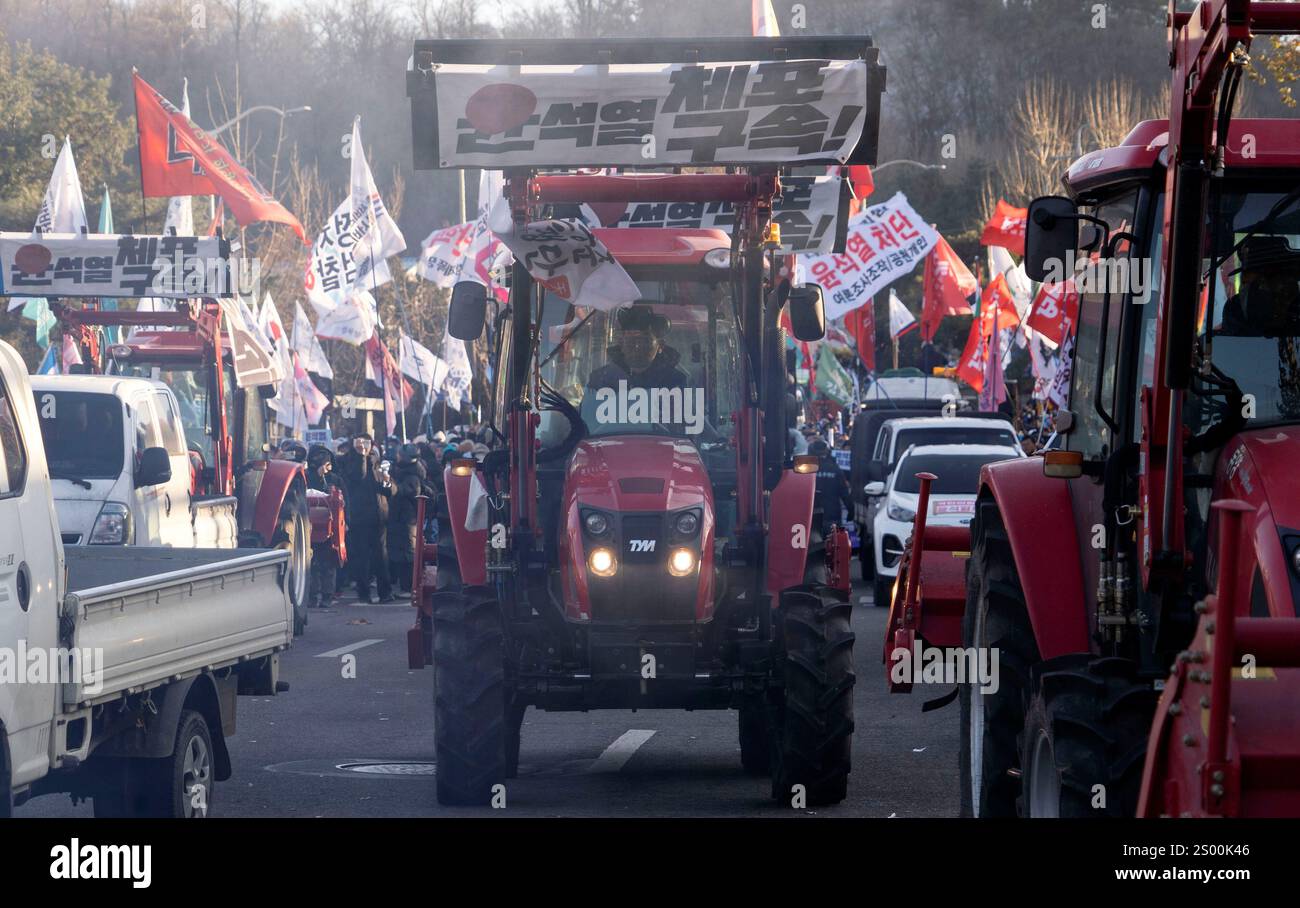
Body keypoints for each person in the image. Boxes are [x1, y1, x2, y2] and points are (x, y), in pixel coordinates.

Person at [338, 433, 394, 603]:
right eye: (360, 443)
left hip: (379, 519)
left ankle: (386, 592)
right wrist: (361, 456)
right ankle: (364, 594)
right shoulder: (348, 462)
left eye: (367, 443)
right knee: (361, 559)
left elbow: (392, 491)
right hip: (359, 519)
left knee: (381, 558)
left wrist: (387, 481)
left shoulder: (377, 462)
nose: (364, 446)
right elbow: (358, 476)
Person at [587, 304, 691, 392]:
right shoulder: (600, 379)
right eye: (631, 341)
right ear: (621, 344)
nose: (637, 346)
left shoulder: (675, 382)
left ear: (660, 345)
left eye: (645, 341)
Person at [1220, 235, 1300, 337]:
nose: (1245, 282)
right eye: (1245, 276)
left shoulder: (1294, 305)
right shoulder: (1235, 309)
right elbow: (1234, 341)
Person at [388, 444, 434, 598]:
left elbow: (404, 491)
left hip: (409, 519)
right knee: (403, 551)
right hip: (402, 518)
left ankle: (409, 586)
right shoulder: (406, 471)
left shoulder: (413, 476)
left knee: (408, 552)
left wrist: (391, 484)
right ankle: (406, 585)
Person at [306, 444, 345, 609]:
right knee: (312, 563)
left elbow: (343, 501)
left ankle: (327, 596)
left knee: (328, 563)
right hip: (310, 526)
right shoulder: (306, 477)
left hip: (331, 526)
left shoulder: (335, 479)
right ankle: (312, 595)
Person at [809, 437, 852, 534]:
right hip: (833, 515)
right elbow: (844, 492)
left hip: (810, 517)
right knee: (834, 546)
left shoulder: (805, 470)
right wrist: (851, 509)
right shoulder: (835, 468)